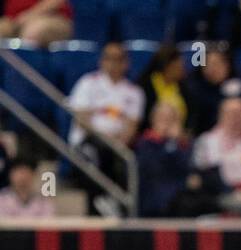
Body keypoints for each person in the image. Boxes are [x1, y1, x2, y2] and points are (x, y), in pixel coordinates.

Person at [66, 41, 144, 215]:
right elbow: (82, 120)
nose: (113, 63)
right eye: (108, 58)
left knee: (126, 159)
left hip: (118, 145)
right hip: (89, 141)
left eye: (118, 59)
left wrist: (118, 142)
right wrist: (106, 138)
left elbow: (131, 127)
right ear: (101, 61)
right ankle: (100, 204)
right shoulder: (88, 83)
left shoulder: (134, 92)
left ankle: (122, 208)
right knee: (95, 153)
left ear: (126, 63)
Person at [182, 43, 241, 138]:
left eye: (216, 64)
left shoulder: (239, 85)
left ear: (227, 65)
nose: (213, 68)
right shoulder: (194, 90)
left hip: (239, 137)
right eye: (208, 64)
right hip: (206, 140)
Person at [0, 0, 72, 47]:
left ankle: (25, 69)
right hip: (13, 19)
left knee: (32, 32)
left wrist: (30, 15)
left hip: (52, 16)